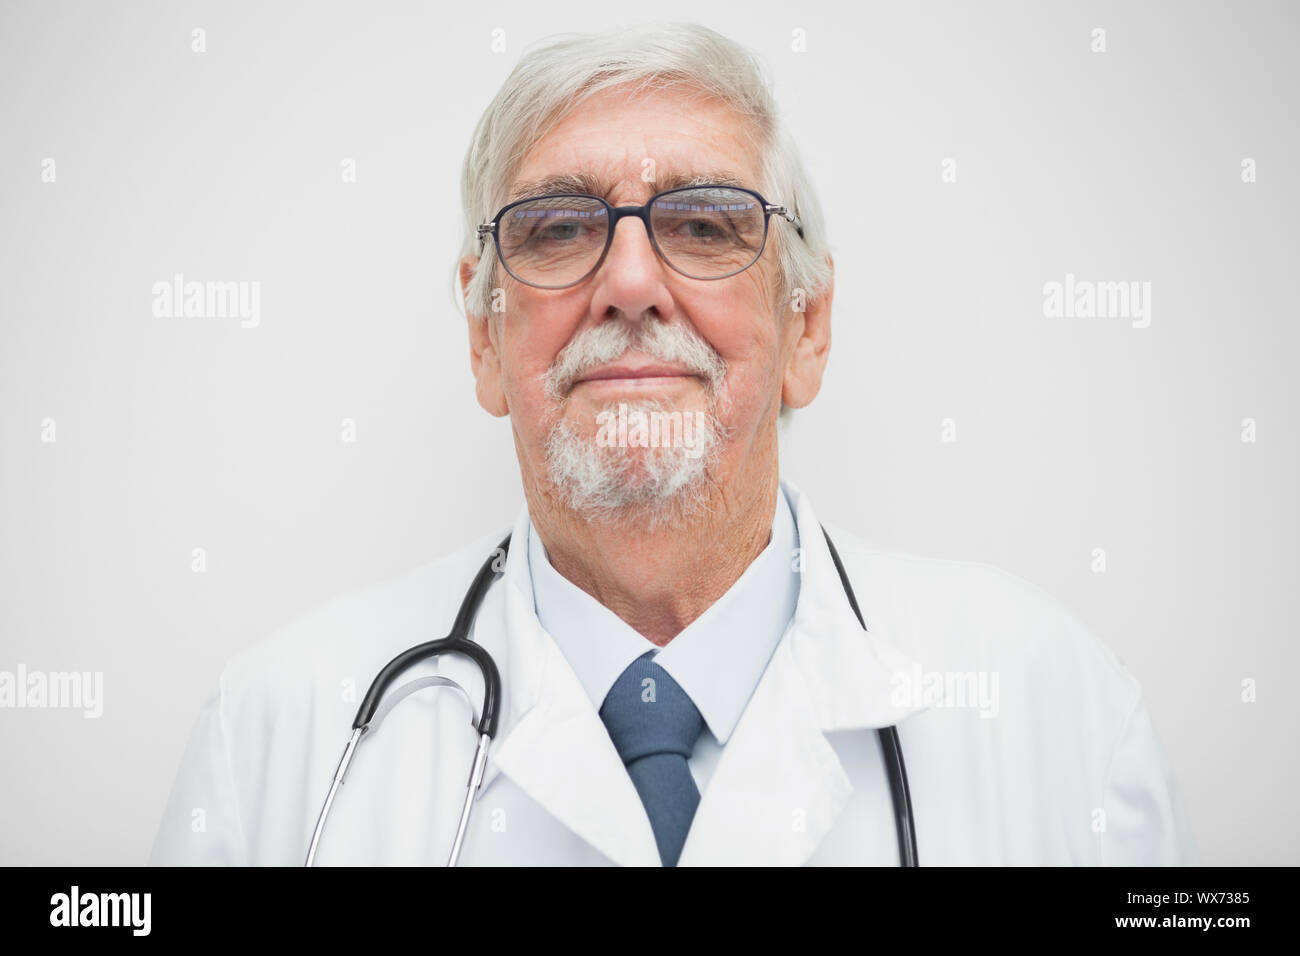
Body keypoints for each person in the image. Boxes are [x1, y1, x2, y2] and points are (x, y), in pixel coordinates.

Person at [149, 22, 1195, 866]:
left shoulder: (1057, 711)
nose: (632, 282)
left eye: (703, 224)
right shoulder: (278, 734)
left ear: (807, 328)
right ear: (483, 337)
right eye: (556, 228)